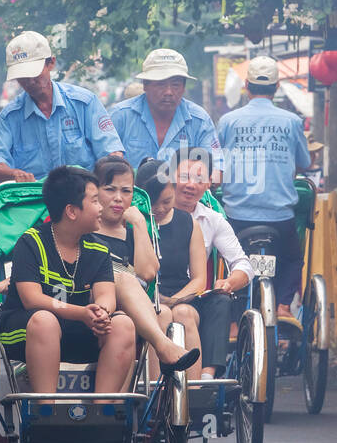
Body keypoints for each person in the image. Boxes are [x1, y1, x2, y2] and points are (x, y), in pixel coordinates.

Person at [0, 166, 134, 398]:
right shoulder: (31, 242)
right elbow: (32, 299)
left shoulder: (99, 248)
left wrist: (101, 313)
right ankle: (46, 410)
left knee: (123, 325)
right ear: (71, 211)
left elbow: (106, 294)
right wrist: (81, 313)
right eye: (95, 201)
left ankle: (103, 409)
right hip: (27, 331)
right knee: (45, 320)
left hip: (80, 328)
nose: (101, 207)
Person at [217, 55, 311, 318]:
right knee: (292, 259)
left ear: (246, 86)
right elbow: (304, 162)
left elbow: (217, 161)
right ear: (277, 87)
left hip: (237, 216)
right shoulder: (292, 121)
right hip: (280, 218)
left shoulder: (228, 121)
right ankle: (283, 306)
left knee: (228, 260)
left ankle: (233, 320)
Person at [93, 156, 200, 377]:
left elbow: (148, 273)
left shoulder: (133, 231)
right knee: (123, 279)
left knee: (162, 314)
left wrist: (140, 223)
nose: (118, 198)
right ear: (94, 191)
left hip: (129, 307)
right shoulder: (86, 225)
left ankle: (154, 393)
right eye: (110, 189)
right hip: (94, 301)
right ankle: (164, 347)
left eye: (126, 191)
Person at [0, 31, 123, 183]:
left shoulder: (84, 103)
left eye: (34, 73)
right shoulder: (9, 118)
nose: (29, 81)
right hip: (35, 196)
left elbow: (112, 154)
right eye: (22, 76)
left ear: (51, 63)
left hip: (84, 194)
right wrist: (13, 173)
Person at [173, 150, 254, 378]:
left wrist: (229, 282)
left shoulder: (213, 219)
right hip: (160, 294)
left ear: (209, 183)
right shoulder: (153, 213)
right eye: (184, 177)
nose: (191, 185)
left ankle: (207, 376)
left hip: (196, 297)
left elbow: (243, 264)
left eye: (199, 179)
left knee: (221, 300)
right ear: (170, 177)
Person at [136, 159, 206, 379]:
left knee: (183, 314)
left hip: (182, 296)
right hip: (143, 297)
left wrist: (173, 300)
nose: (159, 209)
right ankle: (156, 388)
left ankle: (193, 390)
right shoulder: (133, 223)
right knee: (161, 313)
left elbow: (199, 279)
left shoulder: (189, 223)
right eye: (153, 203)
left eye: (166, 201)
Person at [109, 48, 221, 175]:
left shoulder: (200, 120)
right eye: (161, 84)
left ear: (183, 87)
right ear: (145, 85)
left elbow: (216, 169)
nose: (169, 92)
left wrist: (202, 177)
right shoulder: (120, 116)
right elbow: (102, 167)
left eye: (175, 85)